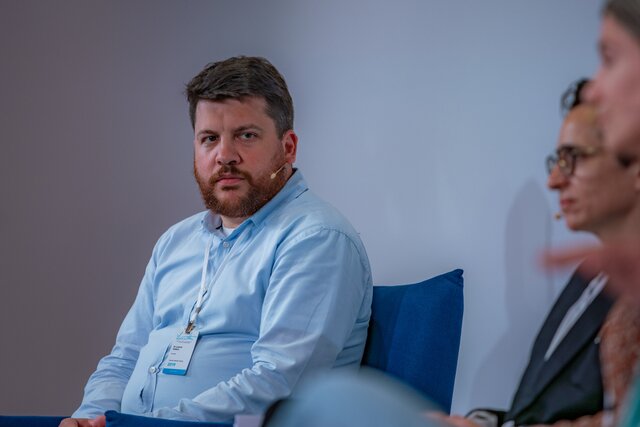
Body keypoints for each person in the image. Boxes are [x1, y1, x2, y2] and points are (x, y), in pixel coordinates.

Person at [59, 56, 373, 427]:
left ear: (288, 147)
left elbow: (277, 384)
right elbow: (124, 359)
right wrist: (89, 417)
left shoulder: (315, 239)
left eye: (246, 135)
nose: (225, 156)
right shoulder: (176, 241)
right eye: (210, 139)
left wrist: (147, 425)